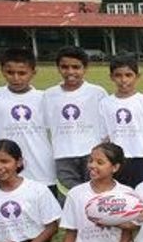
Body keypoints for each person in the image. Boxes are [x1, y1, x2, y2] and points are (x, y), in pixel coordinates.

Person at [0, 47, 56, 193]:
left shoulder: (44, 97)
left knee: (47, 213)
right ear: (2, 70)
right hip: (5, 168)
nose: (16, 78)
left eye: (22, 73)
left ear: (33, 72)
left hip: (41, 169)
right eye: (10, 72)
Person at [43, 46, 107, 195]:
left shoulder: (97, 92)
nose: (70, 72)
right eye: (65, 67)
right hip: (63, 155)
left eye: (76, 67)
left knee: (95, 194)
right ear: (58, 68)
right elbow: (45, 126)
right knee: (70, 197)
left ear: (85, 68)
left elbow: (106, 124)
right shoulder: (49, 95)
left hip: (92, 154)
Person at [100, 54, 143, 188]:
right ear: (111, 77)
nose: (123, 80)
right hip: (117, 161)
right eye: (118, 75)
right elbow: (104, 136)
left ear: (137, 76)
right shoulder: (105, 103)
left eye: (128, 75)